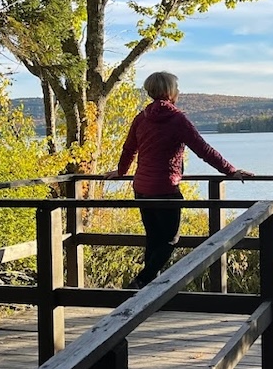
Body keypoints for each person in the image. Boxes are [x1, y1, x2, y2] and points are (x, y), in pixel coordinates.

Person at [105, 71, 253, 288]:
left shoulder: (141, 118)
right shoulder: (177, 120)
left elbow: (129, 149)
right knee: (170, 239)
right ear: (170, 91)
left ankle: (145, 291)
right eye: (177, 87)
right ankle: (142, 281)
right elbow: (204, 150)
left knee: (154, 239)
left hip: (142, 188)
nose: (179, 91)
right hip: (165, 188)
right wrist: (231, 171)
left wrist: (121, 171)